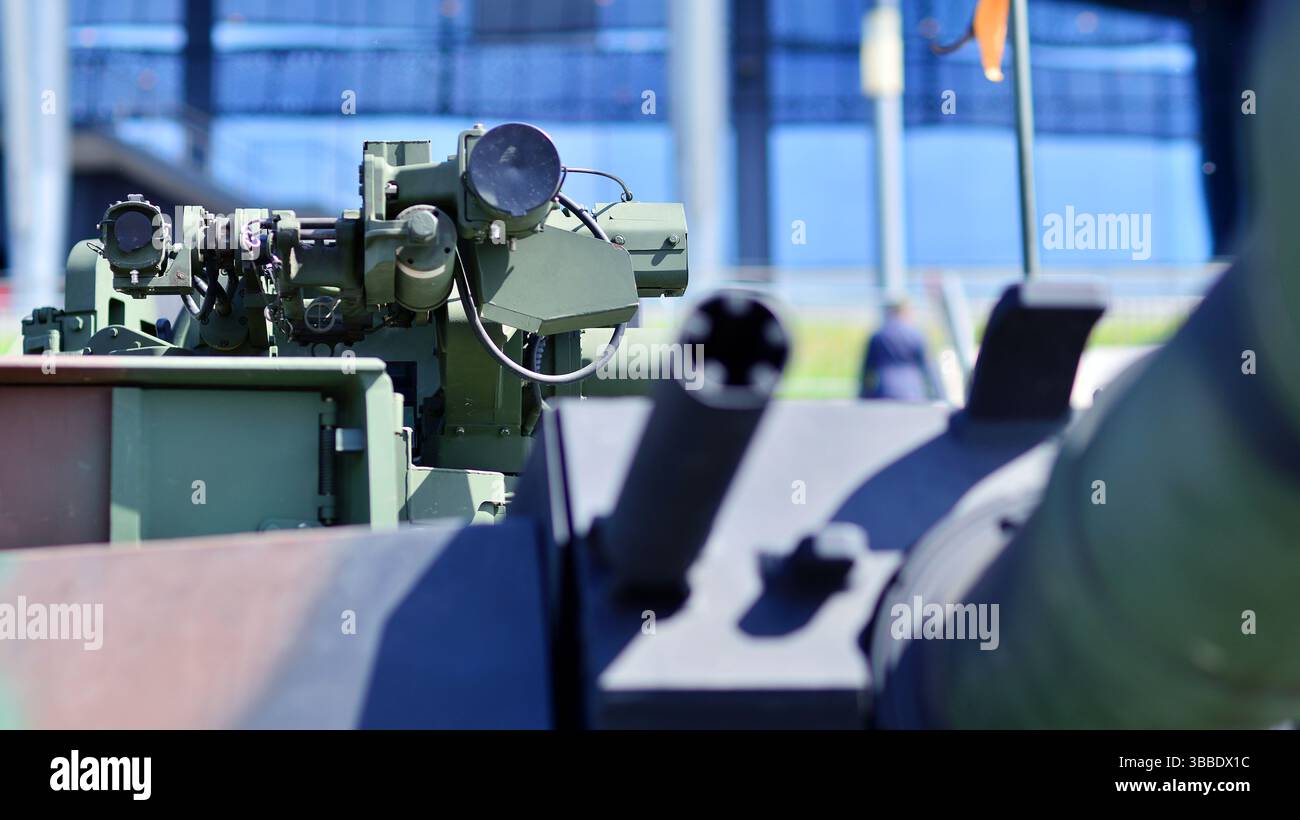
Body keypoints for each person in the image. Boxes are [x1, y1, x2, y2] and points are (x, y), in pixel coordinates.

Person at [859, 296, 938, 401]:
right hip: (912, 389)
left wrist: (863, 393)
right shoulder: (916, 335)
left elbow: (867, 368)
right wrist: (939, 394)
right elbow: (928, 367)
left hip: (884, 388)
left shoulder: (878, 335)